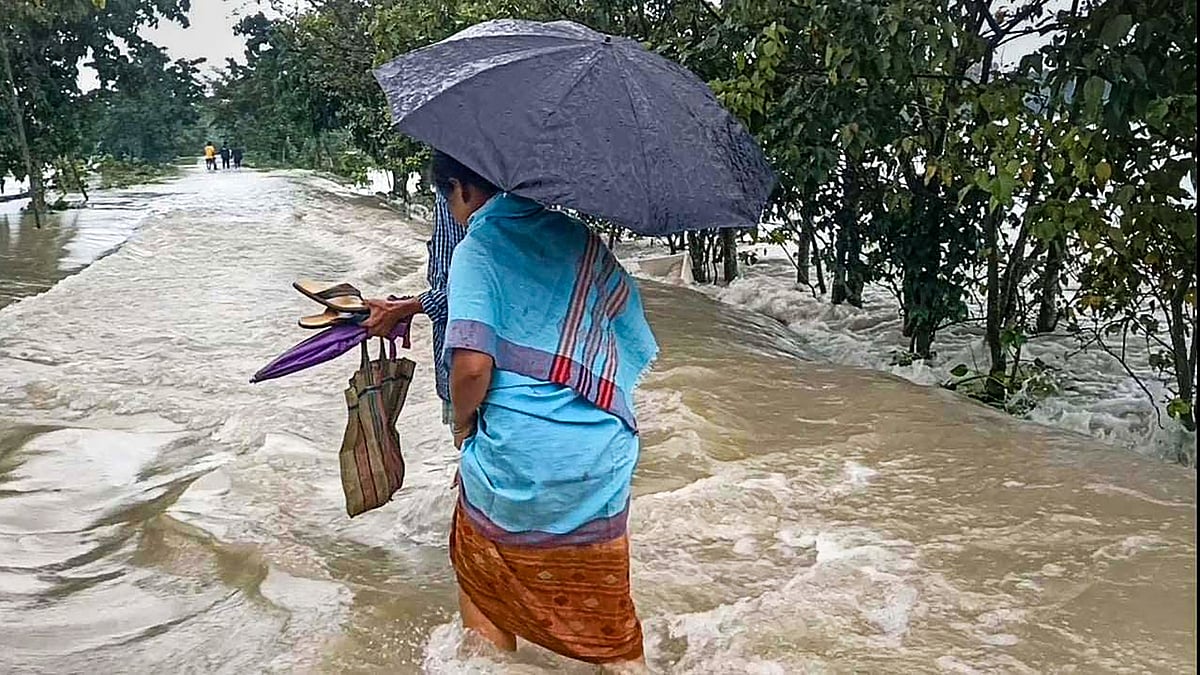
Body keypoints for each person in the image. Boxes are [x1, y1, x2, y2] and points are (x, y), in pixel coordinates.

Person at [433, 150, 657, 668]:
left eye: (448, 196)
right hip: (600, 459)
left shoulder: (477, 249)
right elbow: (618, 334)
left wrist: (461, 424)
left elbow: (471, 368)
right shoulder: (578, 237)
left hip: (521, 462)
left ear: (462, 189)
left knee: (482, 583)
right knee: (610, 624)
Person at [363, 187, 467, 427]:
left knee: (472, 453)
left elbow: (467, 297)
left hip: (473, 380)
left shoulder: (464, 187)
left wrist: (404, 308)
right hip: (483, 377)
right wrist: (407, 305)